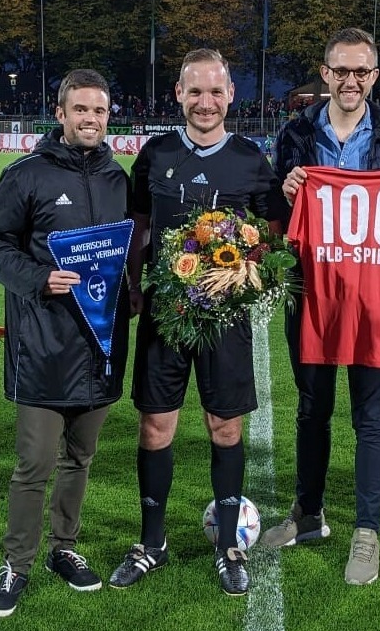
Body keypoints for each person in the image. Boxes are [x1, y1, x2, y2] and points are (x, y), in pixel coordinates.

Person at [258, 27, 380, 586]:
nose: (350, 80)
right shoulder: (294, 135)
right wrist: (287, 188)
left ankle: (366, 530)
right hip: (312, 291)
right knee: (312, 409)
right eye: (341, 70)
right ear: (325, 73)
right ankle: (309, 515)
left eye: (361, 71)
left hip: (376, 299)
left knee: (371, 417)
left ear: (375, 77)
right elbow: (273, 207)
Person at [108, 48, 283, 597]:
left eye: (215, 92)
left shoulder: (252, 160)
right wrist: (134, 287)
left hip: (225, 322)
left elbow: (274, 238)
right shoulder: (155, 154)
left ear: (231, 96)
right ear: (178, 94)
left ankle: (229, 545)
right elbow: (136, 227)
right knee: (156, 426)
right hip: (165, 316)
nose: (205, 102)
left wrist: (247, 279)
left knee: (224, 428)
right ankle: (151, 543)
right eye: (194, 91)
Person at [0, 68, 132, 618]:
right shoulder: (26, 175)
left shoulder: (117, 176)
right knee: (34, 463)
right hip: (41, 343)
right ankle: (16, 564)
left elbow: (122, 252)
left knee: (81, 457)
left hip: (101, 342)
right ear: (60, 114)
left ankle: (65, 548)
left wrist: (129, 290)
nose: (91, 119)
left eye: (100, 111)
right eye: (80, 110)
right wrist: (39, 278)